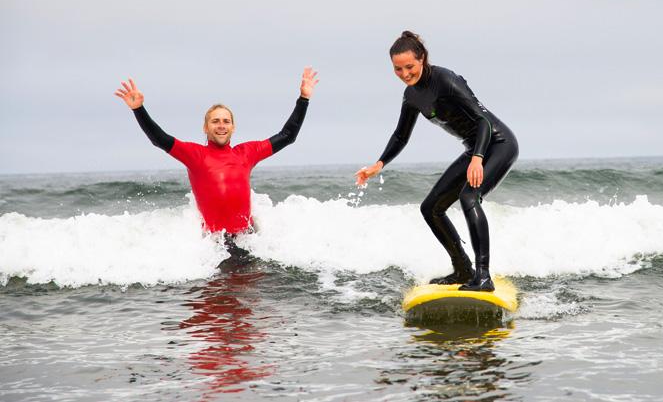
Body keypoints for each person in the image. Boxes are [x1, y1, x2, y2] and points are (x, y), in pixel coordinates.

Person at [356, 32, 518, 292]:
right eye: (398, 69)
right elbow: (400, 135)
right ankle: (462, 269)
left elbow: (483, 120)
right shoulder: (411, 96)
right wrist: (380, 163)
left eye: (409, 66)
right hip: (473, 150)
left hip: (498, 144)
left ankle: (484, 277)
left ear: (422, 59)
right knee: (430, 208)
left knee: (469, 197)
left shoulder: (446, 80)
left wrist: (477, 158)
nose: (405, 73)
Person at [114, 68, 319, 255]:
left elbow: (288, 135)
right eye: (215, 121)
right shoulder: (194, 154)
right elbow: (159, 139)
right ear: (206, 127)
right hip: (215, 245)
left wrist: (304, 98)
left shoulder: (247, 152)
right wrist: (138, 109)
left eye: (226, 121)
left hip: (250, 239)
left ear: (233, 127)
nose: (221, 125)